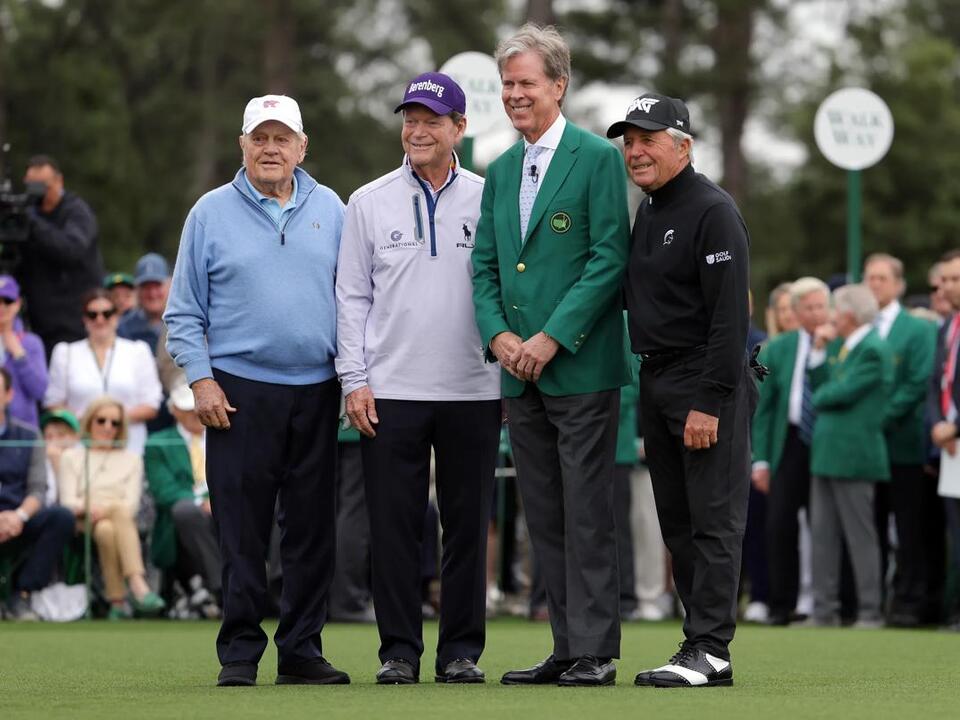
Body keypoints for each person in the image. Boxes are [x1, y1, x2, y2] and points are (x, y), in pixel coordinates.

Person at [164, 94, 349, 687]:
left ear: (302, 146)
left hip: (318, 390)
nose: (270, 149)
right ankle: (240, 652)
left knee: (312, 530)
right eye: (259, 138)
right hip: (237, 393)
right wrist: (201, 379)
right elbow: (183, 312)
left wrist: (354, 378)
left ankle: (301, 651)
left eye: (282, 138)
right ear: (241, 144)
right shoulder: (210, 212)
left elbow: (356, 302)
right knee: (241, 530)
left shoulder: (334, 209)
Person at [472, 25, 630, 687]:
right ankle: (567, 646)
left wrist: (550, 337)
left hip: (580, 369)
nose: (515, 95)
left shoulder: (596, 157)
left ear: (558, 87)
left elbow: (608, 259)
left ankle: (596, 649)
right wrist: (501, 337)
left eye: (526, 84)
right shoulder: (501, 168)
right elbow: (483, 267)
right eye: (508, 85)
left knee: (587, 511)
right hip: (518, 375)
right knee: (544, 513)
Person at [336, 72, 501, 685]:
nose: (417, 129)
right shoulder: (367, 201)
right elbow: (351, 297)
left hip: (474, 388)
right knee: (394, 528)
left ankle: (461, 651)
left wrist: (507, 378)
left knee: (465, 528)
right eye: (411, 118)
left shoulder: (492, 196)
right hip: (390, 390)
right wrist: (353, 378)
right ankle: (398, 652)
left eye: (432, 119)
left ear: (459, 128)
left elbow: (508, 289)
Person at [610, 92, 753, 687]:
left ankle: (712, 646)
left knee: (712, 518)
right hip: (658, 377)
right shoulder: (649, 210)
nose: (636, 151)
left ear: (683, 145)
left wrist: (710, 400)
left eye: (649, 139)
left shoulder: (711, 209)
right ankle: (699, 638)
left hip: (703, 379)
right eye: (630, 141)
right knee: (676, 518)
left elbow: (729, 318)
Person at [863, 253, 941, 626]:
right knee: (871, 527)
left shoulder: (919, 329)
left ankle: (911, 601)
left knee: (909, 527)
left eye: (881, 278)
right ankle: (873, 599)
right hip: (866, 450)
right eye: (869, 278)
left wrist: (876, 419)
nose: (874, 284)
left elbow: (916, 384)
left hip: (902, 445)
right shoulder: (858, 329)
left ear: (898, 284)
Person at [806, 284, 891, 627]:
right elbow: (823, 388)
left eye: (835, 311)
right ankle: (824, 609)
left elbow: (834, 394)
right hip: (828, 454)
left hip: (854, 455)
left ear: (850, 315)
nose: (831, 318)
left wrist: (825, 390)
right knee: (822, 535)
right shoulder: (846, 348)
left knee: (860, 536)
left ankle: (870, 610)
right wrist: (818, 355)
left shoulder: (873, 350)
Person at [752, 277, 830, 625]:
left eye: (820, 306)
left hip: (826, 445)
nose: (816, 313)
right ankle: (781, 604)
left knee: (825, 524)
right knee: (780, 522)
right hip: (790, 441)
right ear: (796, 312)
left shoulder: (839, 343)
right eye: (809, 307)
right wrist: (762, 460)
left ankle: (828, 601)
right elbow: (765, 408)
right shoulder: (778, 348)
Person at [58, 397, 165, 619]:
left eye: (115, 423)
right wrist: (90, 508)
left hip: (118, 520)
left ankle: (116, 602)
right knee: (116, 511)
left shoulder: (132, 459)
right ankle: (137, 582)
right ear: (89, 422)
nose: (108, 427)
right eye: (101, 420)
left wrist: (103, 510)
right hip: (82, 520)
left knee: (107, 528)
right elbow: (67, 501)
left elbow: (132, 504)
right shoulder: (72, 456)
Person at [44, 289, 162, 456]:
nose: (100, 320)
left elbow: (151, 405)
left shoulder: (137, 351)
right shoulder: (66, 353)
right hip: (79, 448)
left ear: (116, 316)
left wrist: (110, 422)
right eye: (93, 315)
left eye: (107, 313)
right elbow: (54, 402)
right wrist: (89, 422)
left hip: (129, 448)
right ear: (84, 318)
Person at [0, 368, 75, 620]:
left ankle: (22, 594)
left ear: (9, 395)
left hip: (18, 520)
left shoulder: (29, 435)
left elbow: (37, 488)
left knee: (61, 517)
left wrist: (18, 517)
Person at [144, 385, 221, 615]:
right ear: (175, 410)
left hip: (226, 511)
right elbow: (164, 491)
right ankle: (221, 588)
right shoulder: (158, 443)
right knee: (187, 511)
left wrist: (217, 502)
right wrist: (203, 502)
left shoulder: (224, 434)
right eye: (189, 409)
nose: (197, 413)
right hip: (181, 524)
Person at [18, 155, 104, 354]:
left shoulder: (77, 211)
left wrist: (32, 223)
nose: (37, 194)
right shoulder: (27, 215)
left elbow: (70, 249)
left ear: (59, 181)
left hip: (74, 325)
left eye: (42, 186)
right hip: (39, 323)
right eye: (31, 186)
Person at [927, 250, 960, 630]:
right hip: (949, 445)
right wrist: (939, 424)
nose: (945, 286)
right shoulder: (946, 327)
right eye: (944, 280)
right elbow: (934, 385)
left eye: (953, 279)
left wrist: (955, 425)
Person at [0, 275, 48, 427]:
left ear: (18, 303)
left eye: (8, 301)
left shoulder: (31, 343)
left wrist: (20, 356)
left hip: (22, 434)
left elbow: (39, 391)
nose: (1, 307)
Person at [117, 253, 170, 353]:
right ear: (137, 290)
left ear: (169, 286)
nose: (152, 293)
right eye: (146, 287)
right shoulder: (123, 328)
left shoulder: (183, 324)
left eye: (157, 286)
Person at [39, 408, 81, 507]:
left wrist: (58, 465)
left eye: (61, 435)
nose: (54, 440)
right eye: (48, 436)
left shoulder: (83, 457)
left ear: (75, 437)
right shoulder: (39, 459)